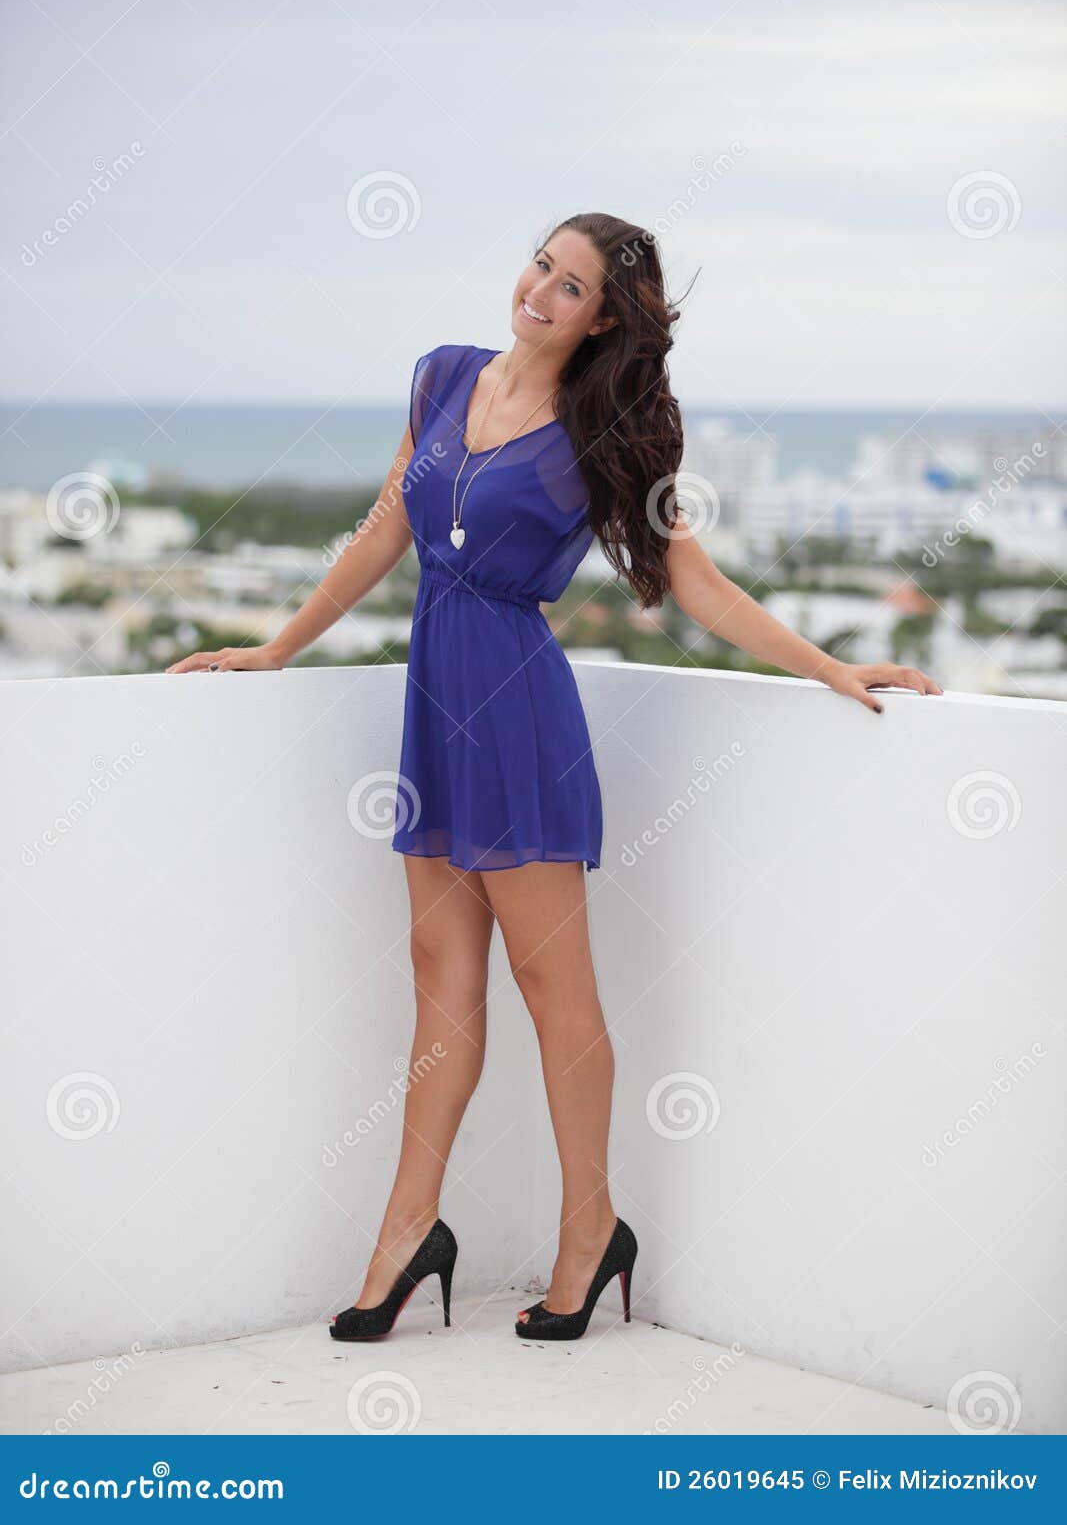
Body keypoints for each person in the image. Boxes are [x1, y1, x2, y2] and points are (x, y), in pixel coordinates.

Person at [166, 211, 941, 1343]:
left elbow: (696, 582)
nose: (538, 289)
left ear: (601, 319)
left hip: (521, 718)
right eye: (540, 262)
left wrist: (829, 666)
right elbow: (387, 525)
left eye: (569, 285)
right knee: (438, 984)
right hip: (434, 708)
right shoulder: (441, 376)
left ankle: (591, 1231)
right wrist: (277, 646)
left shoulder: (606, 429)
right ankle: (404, 1232)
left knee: (554, 998)